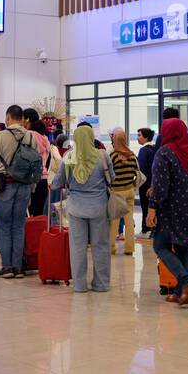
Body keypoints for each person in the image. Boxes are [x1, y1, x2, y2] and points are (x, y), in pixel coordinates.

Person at [149, 117, 188, 306]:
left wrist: (152, 207)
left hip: (171, 208)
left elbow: (160, 187)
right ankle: (182, 292)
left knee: (160, 246)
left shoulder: (164, 153)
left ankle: (187, 280)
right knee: (183, 247)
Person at [52, 125, 113, 292]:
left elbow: (57, 183)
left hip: (76, 208)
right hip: (98, 207)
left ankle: (79, 285)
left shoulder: (69, 157)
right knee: (100, 246)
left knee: (77, 248)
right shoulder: (102, 156)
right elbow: (112, 178)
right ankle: (101, 284)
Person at [0, 105, 41, 279]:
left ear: (8, 117)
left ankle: (7, 266)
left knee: (3, 226)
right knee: (19, 226)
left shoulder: (0, 136)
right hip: (24, 186)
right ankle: (18, 267)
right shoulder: (30, 136)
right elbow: (35, 165)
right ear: (22, 118)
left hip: (5, 186)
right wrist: (31, 188)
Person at [108, 128, 139, 254]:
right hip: (130, 190)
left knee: (114, 220)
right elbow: (136, 171)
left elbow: (109, 174)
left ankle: (111, 247)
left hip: (117, 191)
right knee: (129, 220)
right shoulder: (132, 155)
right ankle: (129, 248)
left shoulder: (113, 156)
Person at [22, 109, 53, 220]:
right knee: (39, 216)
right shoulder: (44, 137)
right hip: (43, 180)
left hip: (31, 180)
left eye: (22, 118)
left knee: (28, 216)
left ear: (27, 119)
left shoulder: (29, 135)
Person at [136, 128, 157, 237]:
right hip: (154, 182)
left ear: (146, 137)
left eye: (139, 135)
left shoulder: (144, 150)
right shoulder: (154, 148)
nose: (137, 137)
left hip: (145, 183)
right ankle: (152, 229)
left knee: (145, 206)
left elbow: (141, 168)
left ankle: (146, 229)